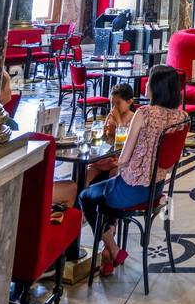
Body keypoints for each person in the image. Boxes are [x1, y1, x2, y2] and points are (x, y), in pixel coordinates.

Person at [78, 66, 189, 276]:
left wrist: (108, 162)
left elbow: (124, 159)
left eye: (148, 82)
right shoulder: (182, 117)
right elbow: (172, 162)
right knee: (105, 193)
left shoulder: (144, 113)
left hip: (131, 190)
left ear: (156, 87)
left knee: (87, 196)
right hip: (155, 190)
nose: (145, 85)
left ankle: (111, 246)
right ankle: (107, 254)